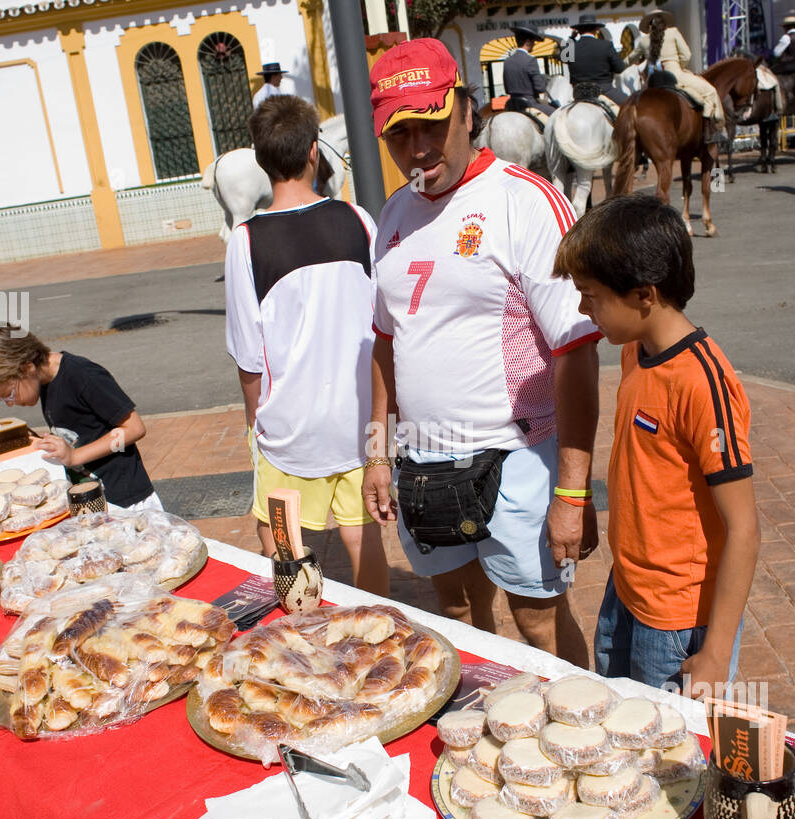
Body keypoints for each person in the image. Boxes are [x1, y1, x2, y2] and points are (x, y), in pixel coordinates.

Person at [362, 38, 601, 669]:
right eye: (399, 133)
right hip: (423, 461)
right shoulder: (390, 216)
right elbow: (384, 343)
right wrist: (377, 453)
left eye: (432, 125)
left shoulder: (524, 201)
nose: (418, 149)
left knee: (540, 623)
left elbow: (576, 351)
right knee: (459, 614)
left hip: (517, 456)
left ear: (467, 111)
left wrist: (573, 494)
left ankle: (582, 729)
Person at [552, 194, 758, 697]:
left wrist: (714, 652)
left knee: (670, 756)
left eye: (592, 295)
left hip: (677, 623)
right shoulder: (635, 352)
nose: (583, 308)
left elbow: (744, 528)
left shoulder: (702, 384)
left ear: (644, 295)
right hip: (627, 592)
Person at [224, 95, 388, 595]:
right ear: (315, 151)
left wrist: (256, 426)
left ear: (259, 159)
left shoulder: (246, 241)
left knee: (280, 536)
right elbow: (382, 322)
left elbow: (249, 356)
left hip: (289, 429)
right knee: (364, 538)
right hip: (359, 422)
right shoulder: (359, 220)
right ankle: (376, 630)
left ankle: (300, 633)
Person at [0, 327, 163, 512]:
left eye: (9, 394)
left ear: (27, 368)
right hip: (92, 500)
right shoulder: (44, 382)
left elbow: (134, 428)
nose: (10, 403)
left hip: (127, 501)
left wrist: (75, 456)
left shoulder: (82, 375)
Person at [641, 10, 727, 144]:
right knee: (710, 92)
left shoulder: (642, 40)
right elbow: (687, 55)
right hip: (675, 75)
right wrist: (679, 65)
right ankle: (709, 131)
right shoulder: (673, 32)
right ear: (664, 22)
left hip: (652, 80)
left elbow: (631, 59)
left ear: (648, 25)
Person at [567, 17, 626, 103]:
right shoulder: (606, 45)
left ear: (578, 31)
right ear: (596, 29)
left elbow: (563, 56)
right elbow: (620, 68)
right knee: (632, 105)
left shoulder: (570, 48)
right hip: (604, 90)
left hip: (578, 93)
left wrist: (571, 38)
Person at [503, 25, 559, 115]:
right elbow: (540, 88)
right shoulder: (530, 60)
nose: (534, 44)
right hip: (529, 103)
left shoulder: (507, 61)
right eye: (533, 41)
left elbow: (507, 87)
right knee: (556, 114)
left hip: (512, 104)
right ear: (528, 41)